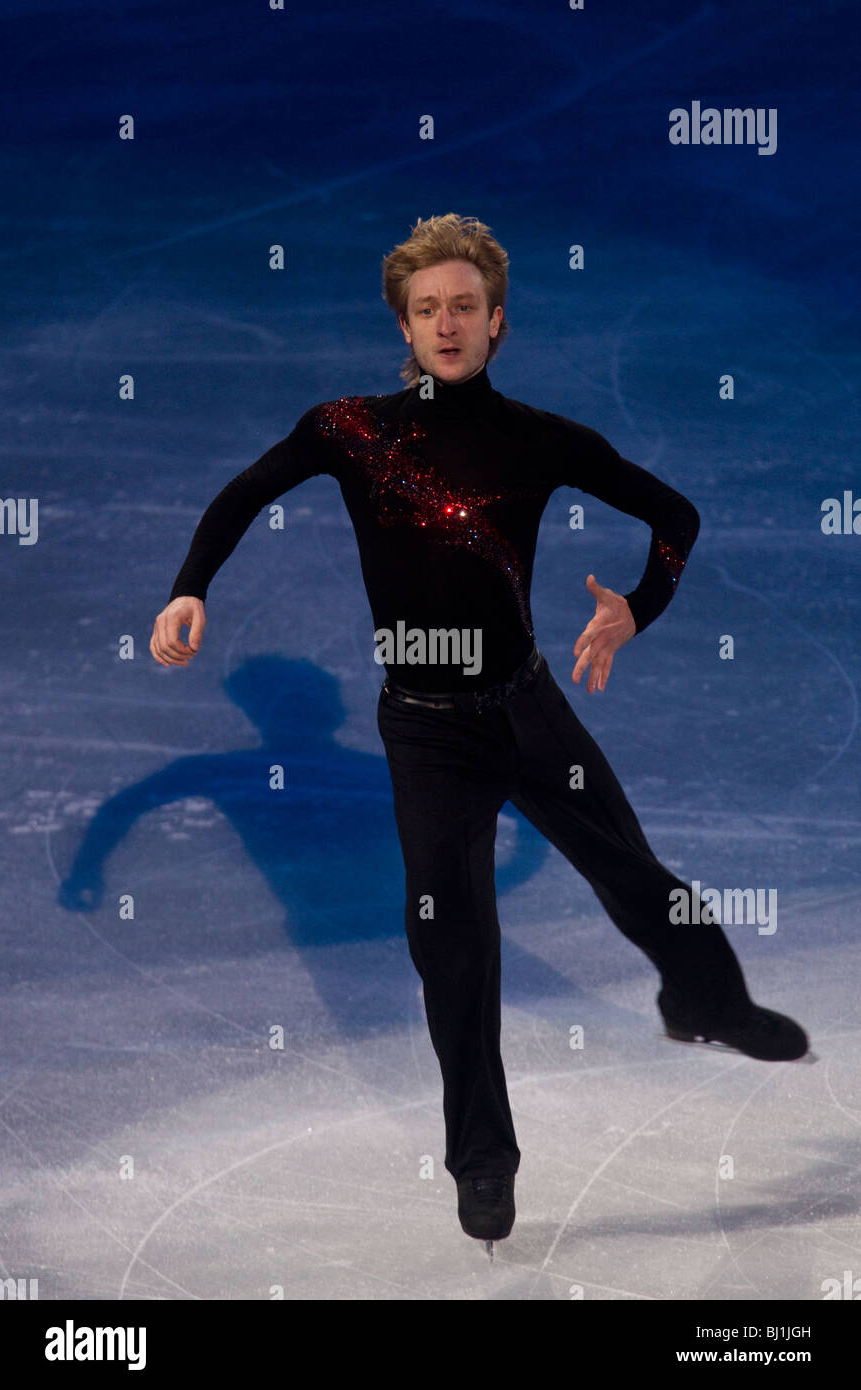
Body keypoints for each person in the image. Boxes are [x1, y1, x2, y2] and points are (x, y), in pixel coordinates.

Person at [150, 213, 808, 1252]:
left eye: (464, 307)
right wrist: (188, 592)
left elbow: (673, 516)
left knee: (637, 877)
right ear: (402, 328)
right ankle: (482, 1162)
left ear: (496, 322)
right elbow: (243, 495)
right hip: (424, 733)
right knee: (449, 944)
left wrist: (636, 607)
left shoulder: (538, 440)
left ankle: (707, 999)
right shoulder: (348, 430)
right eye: (426, 310)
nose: (445, 325)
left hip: (525, 706)